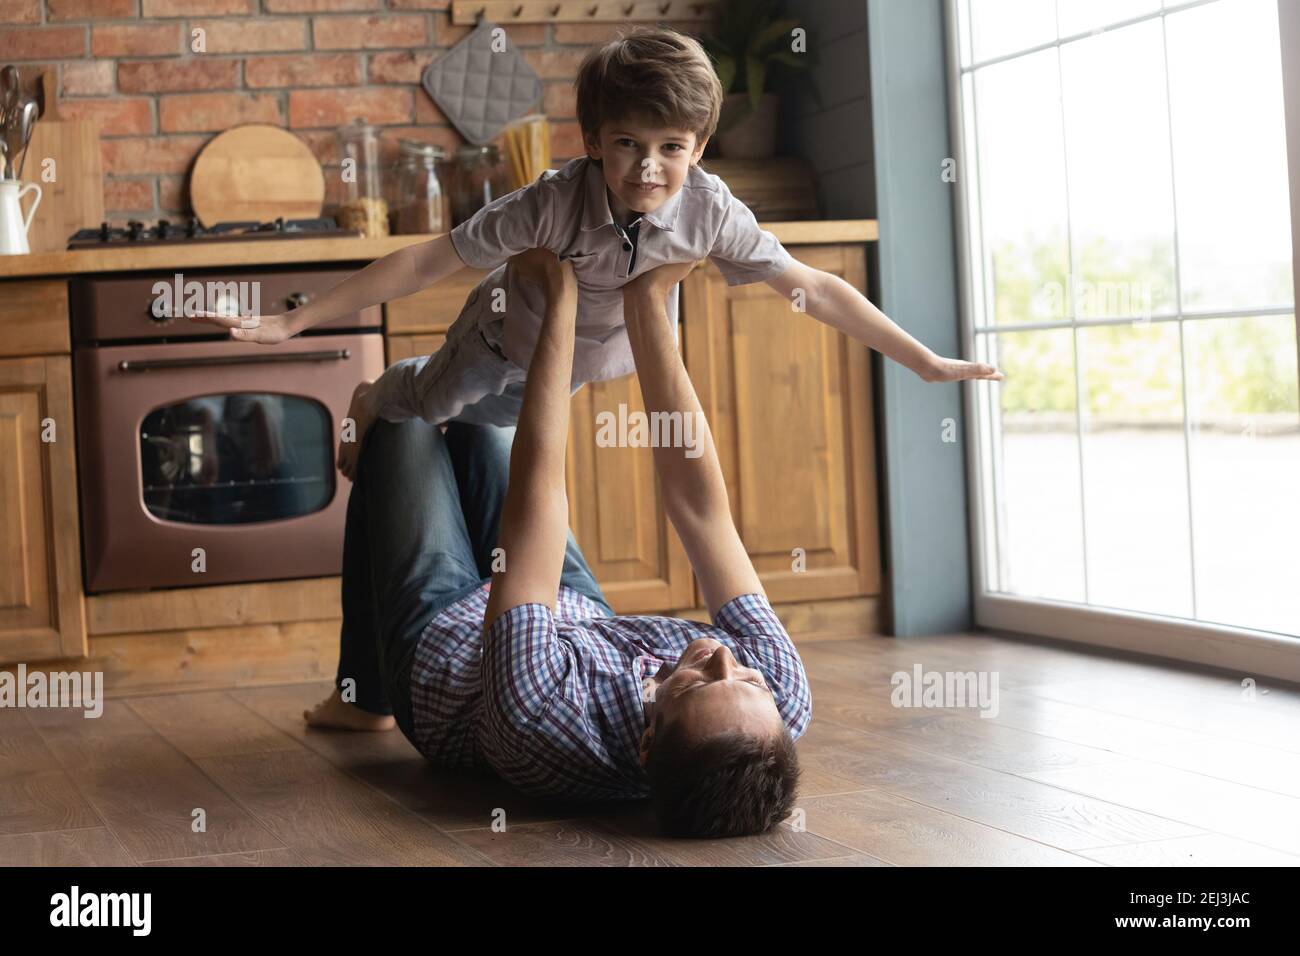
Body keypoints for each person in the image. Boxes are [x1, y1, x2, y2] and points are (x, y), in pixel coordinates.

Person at [193, 28, 1002, 484]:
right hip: (501, 335)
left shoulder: (711, 211)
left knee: (494, 434)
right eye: (626, 144)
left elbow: (815, 289)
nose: (647, 167)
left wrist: (924, 360)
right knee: (440, 404)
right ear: (591, 142)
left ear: (700, 146)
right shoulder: (550, 201)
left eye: (670, 147)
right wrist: (299, 321)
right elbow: (425, 262)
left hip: (578, 366)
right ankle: (379, 395)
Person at [306, 250, 810, 838]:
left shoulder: (542, 722)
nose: (725, 658)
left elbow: (536, 506)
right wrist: (650, 303)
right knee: (477, 410)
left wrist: (559, 306)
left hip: (445, 647)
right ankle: (361, 695)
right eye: (746, 682)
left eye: (701, 682)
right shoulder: (779, 701)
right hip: (574, 613)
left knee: (402, 421)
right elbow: (704, 513)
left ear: (647, 742)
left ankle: (368, 695)